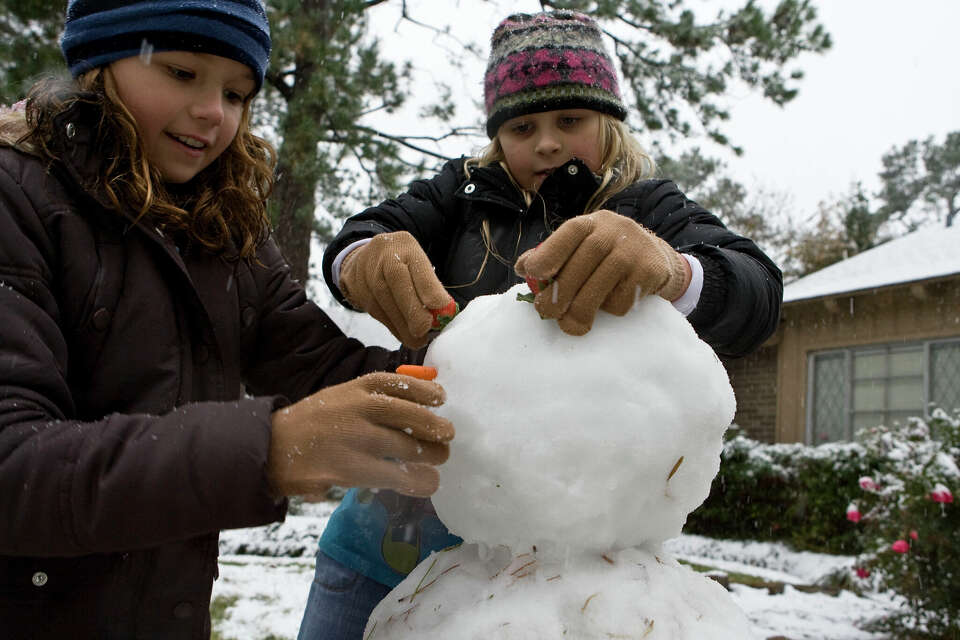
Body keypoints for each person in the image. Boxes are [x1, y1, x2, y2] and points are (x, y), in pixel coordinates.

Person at [300, 9, 783, 640]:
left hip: (562, 577)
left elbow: (757, 292)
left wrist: (670, 269)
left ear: (608, 121)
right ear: (498, 136)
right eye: (523, 126)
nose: (548, 142)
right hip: (382, 529)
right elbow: (356, 239)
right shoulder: (459, 194)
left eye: (570, 120)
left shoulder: (646, 207)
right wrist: (363, 257)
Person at [0, 1, 455, 638]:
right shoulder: (16, 197)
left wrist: (469, 377)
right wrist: (270, 449)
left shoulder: (222, 224)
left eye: (238, 93)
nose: (215, 112)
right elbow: (13, 465)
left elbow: (318, 363)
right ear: (98, 65)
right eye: (183, 73)